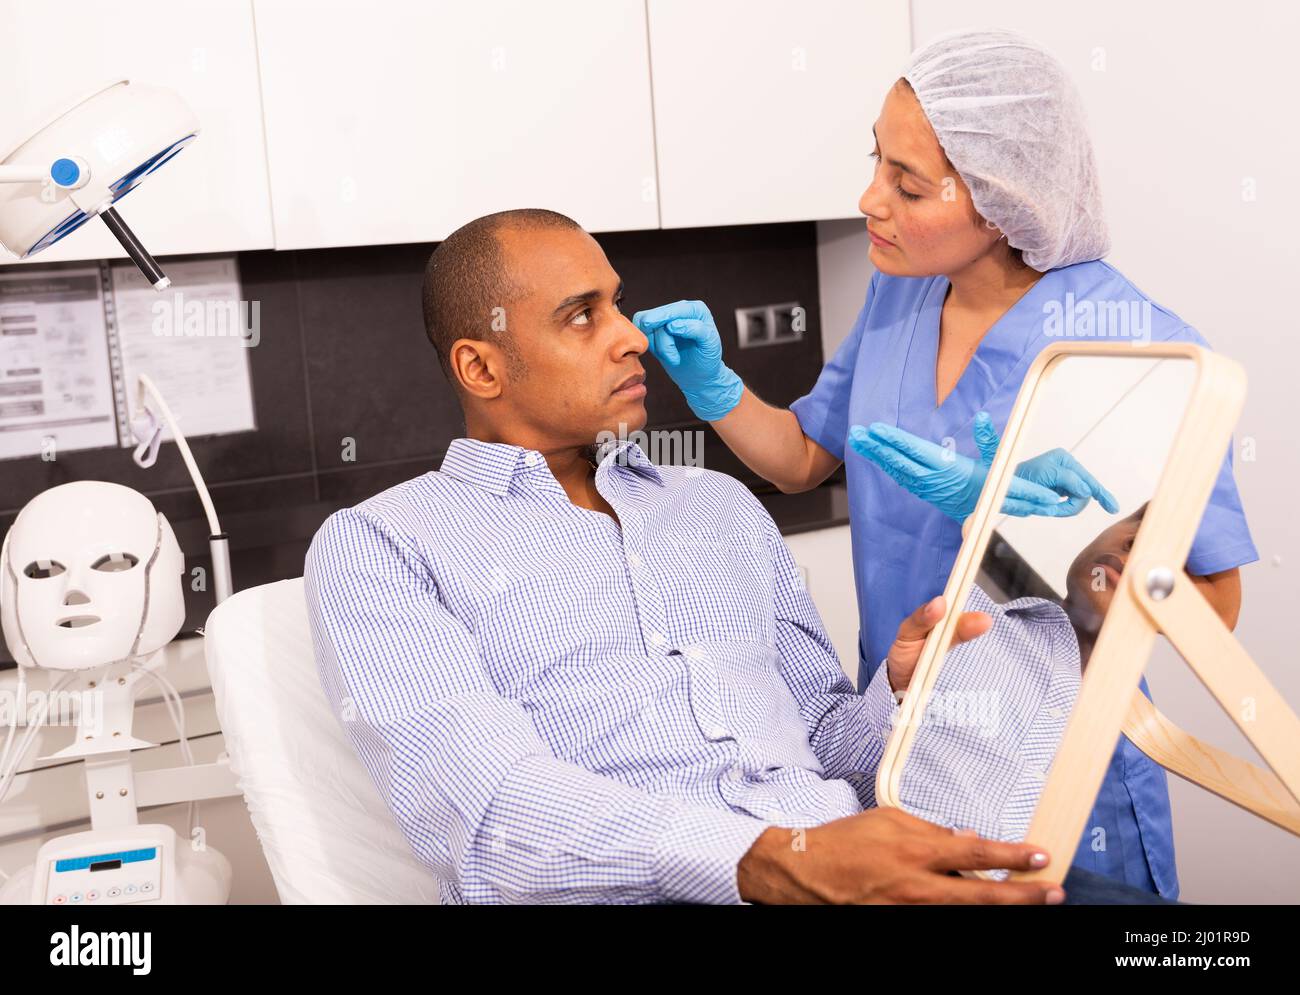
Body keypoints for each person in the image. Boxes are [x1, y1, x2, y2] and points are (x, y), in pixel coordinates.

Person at [304, 208, 1167, 904]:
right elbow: (494, 815)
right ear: (480, 368)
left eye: (616, 302)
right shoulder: (385, 547)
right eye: (582, 316)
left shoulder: (714, 505)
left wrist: (897, 690)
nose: (631, 337)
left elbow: (828, 747)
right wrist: (772, 858)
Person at [632, 29, 1257, 900]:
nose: (869, 200)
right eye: (876, 162)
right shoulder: (900, 290)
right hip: (905, 749)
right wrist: (715, 388)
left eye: (908, 184)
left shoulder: (1135, 347)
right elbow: (808, 455)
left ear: (1002, 202)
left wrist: (1018, 525)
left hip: (1058, 780)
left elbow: (1208, 606)